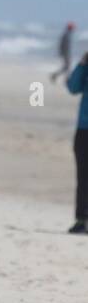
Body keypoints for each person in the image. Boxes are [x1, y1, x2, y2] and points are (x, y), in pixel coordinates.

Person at [66, 50, 88, 234]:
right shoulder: (86, 65)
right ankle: (82, 219)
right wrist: (82, 64)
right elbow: (73, 87)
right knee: (83, 177)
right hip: (84, 129)